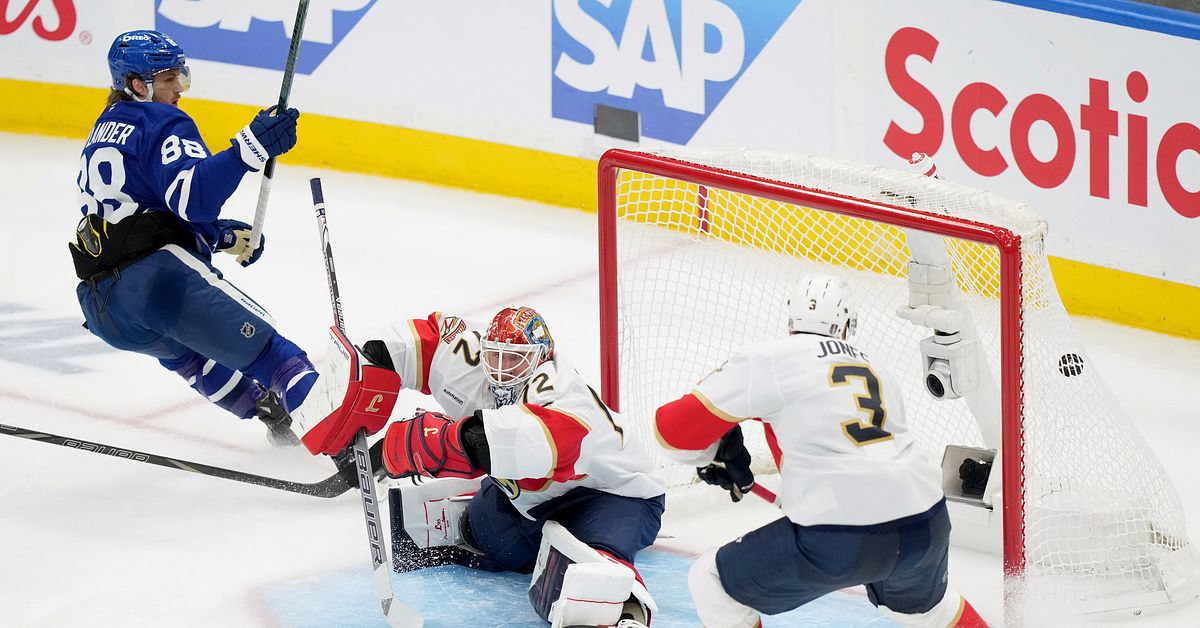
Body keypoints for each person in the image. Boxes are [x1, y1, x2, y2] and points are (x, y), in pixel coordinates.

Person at [654, 275, 986, 628]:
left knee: (712, 581)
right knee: (934, 612)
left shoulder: (769, 358)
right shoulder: (879, 370)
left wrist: (712, 452)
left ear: (791, 321)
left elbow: (671, 432)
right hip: (926, 522)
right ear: (848, 325)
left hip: (839, 533)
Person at [69, 30, 313, 446]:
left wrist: (215, 237)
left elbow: (140, 214)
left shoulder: (103, 129)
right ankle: (347, 448)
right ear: (136, 84)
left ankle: (270, 417)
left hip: (103, 307)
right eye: (167, 78)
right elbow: (192, 199)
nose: (178, 88)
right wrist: (248, 150)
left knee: (191, 357)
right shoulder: (163, 121)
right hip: (156, 284)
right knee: (278, 359)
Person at [362, 307, 666, 627]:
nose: (502, 369)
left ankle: (626, 610)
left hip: (614, 494)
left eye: (515, 359)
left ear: (541, 358)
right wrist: (369, 367)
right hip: (537, 498)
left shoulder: (560, 390)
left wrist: (440, 443)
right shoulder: (478, 361)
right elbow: (429, 342)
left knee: (592, 576)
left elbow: (534, 439)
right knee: (490, 539)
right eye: (496, 356)